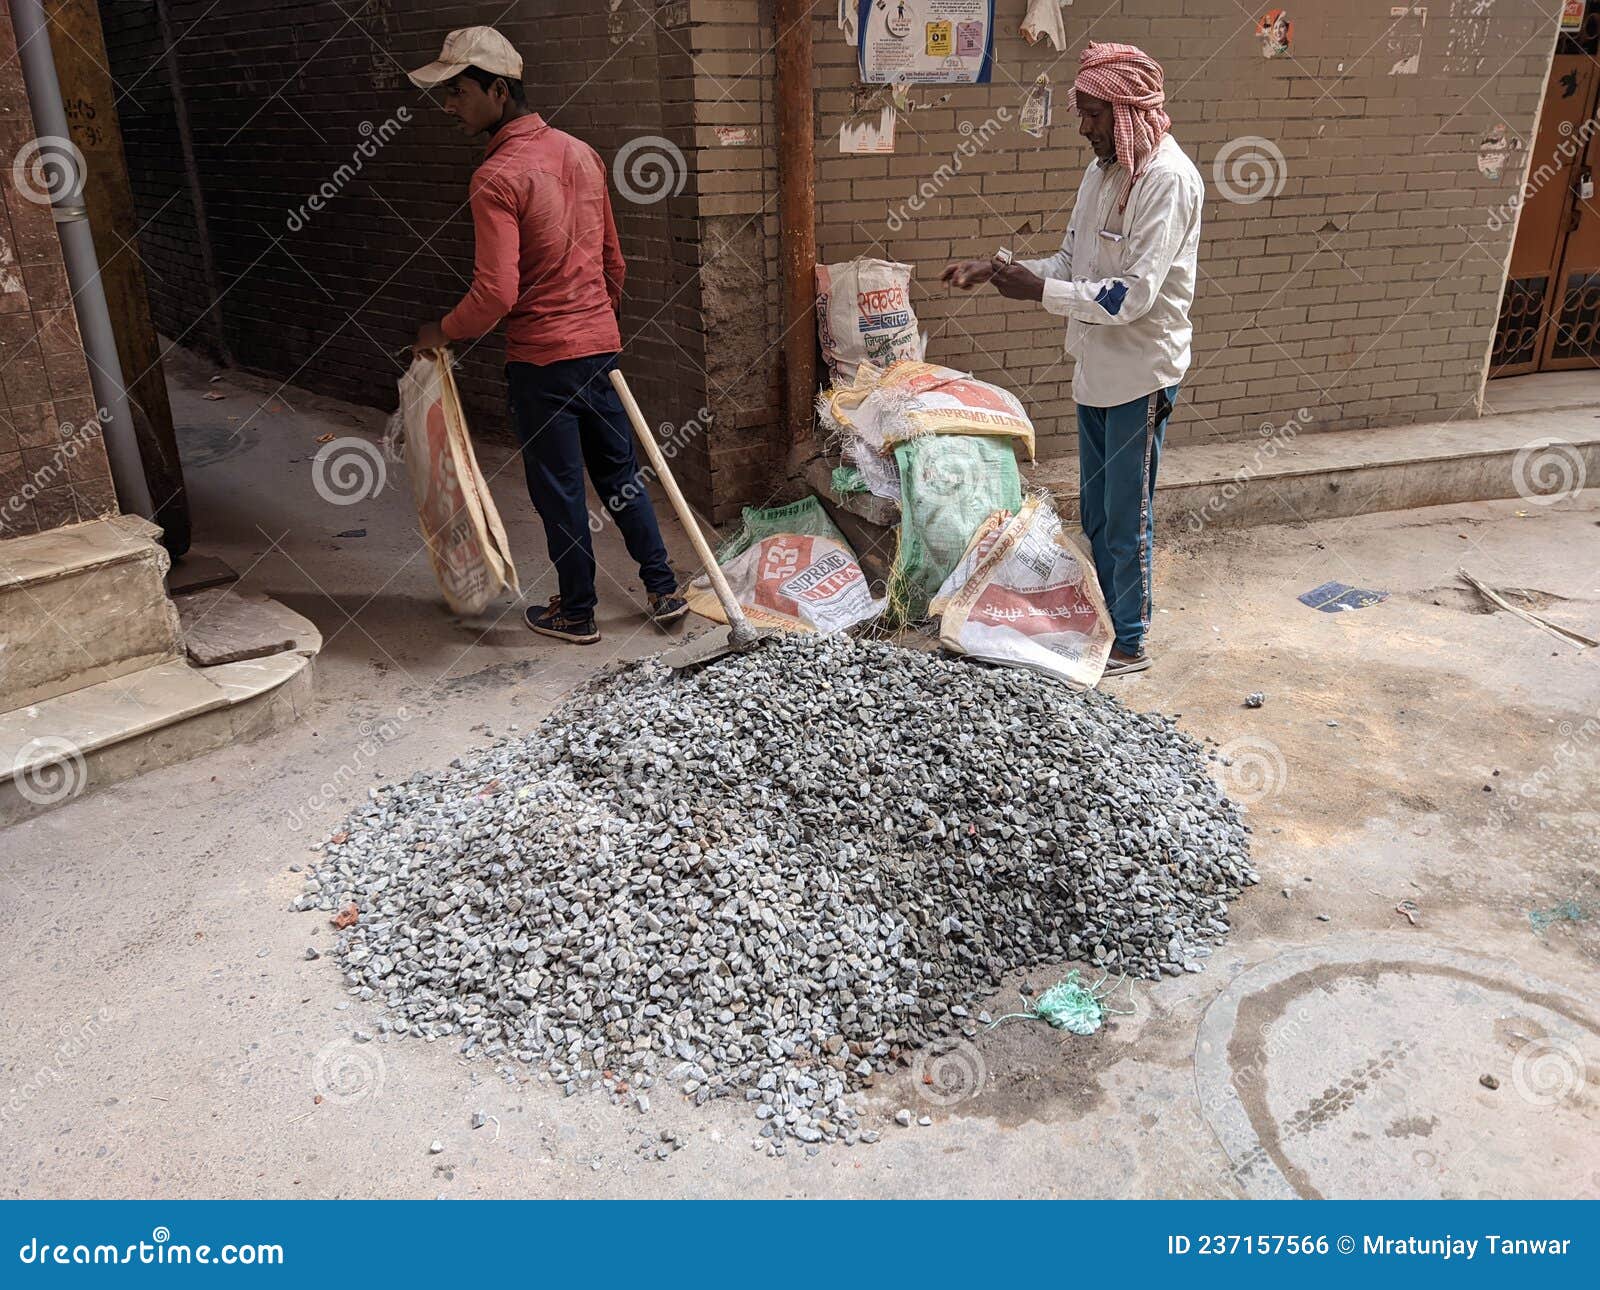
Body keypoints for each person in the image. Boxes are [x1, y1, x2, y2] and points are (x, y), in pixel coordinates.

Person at [409, 26, 686, 645]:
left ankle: (578, 611)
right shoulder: (581, 153)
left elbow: (496, 295)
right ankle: (663, 588)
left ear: (498, 89)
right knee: (622, 474)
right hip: (599, 351)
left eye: (457, 92)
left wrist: (442, 332)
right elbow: (615, 261)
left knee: (560, 489)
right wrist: (593, 323)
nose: (449, 106)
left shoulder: (495, 177)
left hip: (542, 364)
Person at [942, 41, 1202, 676]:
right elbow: (1070, 264)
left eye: (1091, 114)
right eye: (1080, 112)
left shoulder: (1167, 179)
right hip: (1094, 367)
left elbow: (1132, 296)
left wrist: (1042, 291)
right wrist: (1006, 269)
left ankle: (1132, 639)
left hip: (1140, 374)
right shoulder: (1102, 171)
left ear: (1126, 111)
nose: (1081, 126)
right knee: (1094, 509)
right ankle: (1109, 618)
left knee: (1124, 514)